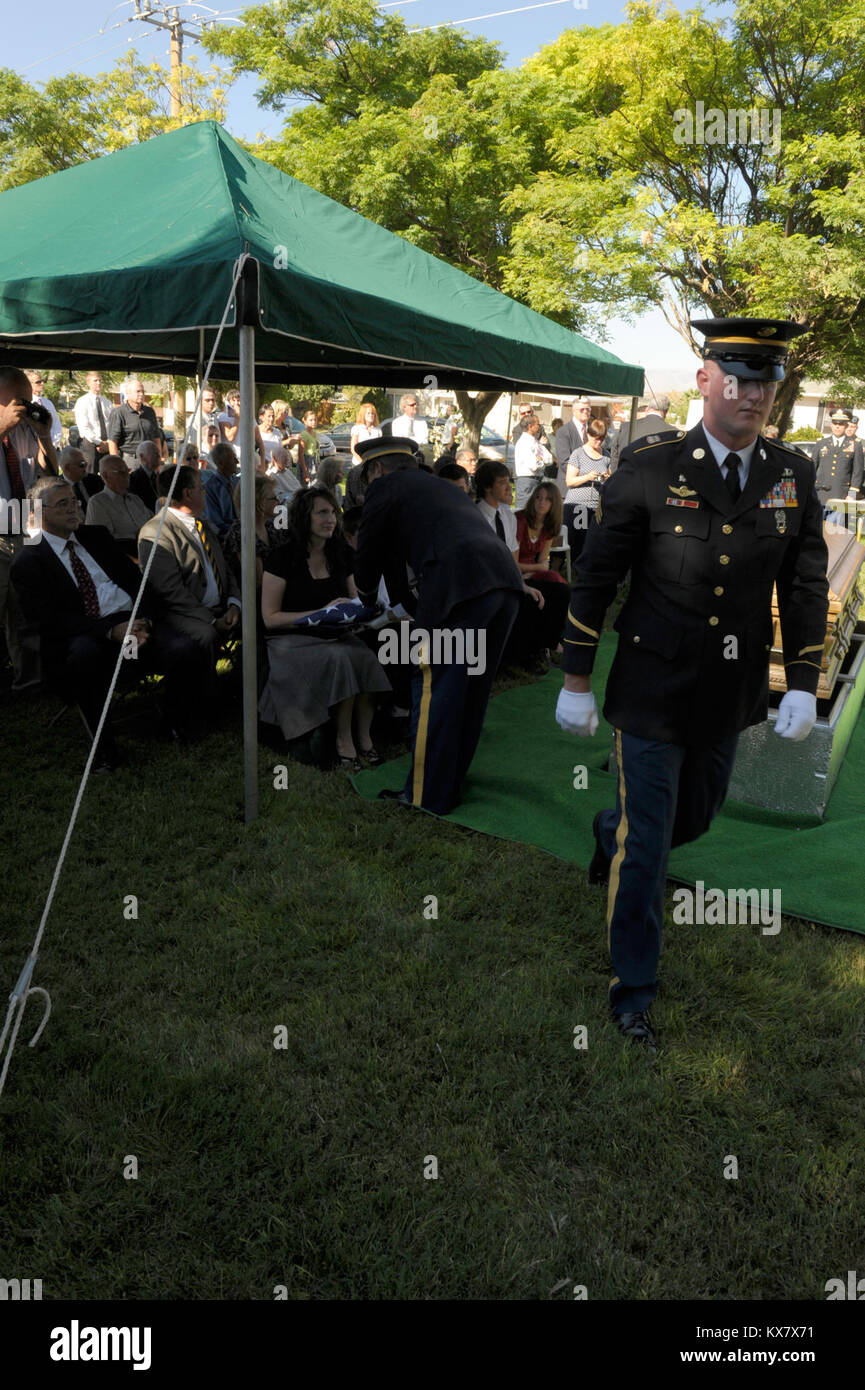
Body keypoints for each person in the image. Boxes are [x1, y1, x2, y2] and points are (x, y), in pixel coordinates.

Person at [555, 316, 830, 1052]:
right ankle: (632, 990)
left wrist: (801, 680)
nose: (752, 396)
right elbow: (597, 576)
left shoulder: (791, 475)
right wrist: (575, 676)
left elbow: (803, 588)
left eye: (764, 383)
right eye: (738, 380)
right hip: (649, 685)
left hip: (727, 690)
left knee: (695, 818)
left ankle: (608, 831)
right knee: (648, 848)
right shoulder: (648, 467)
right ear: (706, 379)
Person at [354, 438, 525, 813]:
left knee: (435, 688)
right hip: (502, 585)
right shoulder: (433, 486)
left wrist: (365, 598)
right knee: (470, 689)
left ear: (376, 470)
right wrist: (413, 607)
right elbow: (398, 564)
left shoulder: (385, 488)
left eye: (366, 477)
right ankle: (448, 784)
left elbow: (370, 552)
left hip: (461, 588)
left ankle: (425, 794)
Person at [12, 476, 209, 765]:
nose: (73, 509)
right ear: (39, 513)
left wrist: (144, 620)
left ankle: (173, 722)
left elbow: (137, 582)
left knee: (185, 648)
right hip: (87, 632)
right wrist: (109, 631)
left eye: (74, 502)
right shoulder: (30, 560)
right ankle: (104, 749)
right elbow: (49, 620)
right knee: (84, 656)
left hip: (133, 621)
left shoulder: (96, 537)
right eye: (63, 504)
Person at [260, 485, 391, 769]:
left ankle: (364, 738)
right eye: (321, 513)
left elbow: (356, 599)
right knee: (343, 658)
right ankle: (344, 741)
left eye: (333, 512)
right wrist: (319, 613)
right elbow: (270, 618)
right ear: (304, 518)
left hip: (334, 635)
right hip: (291, 639)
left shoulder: (340, 552)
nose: (330, 519)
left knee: (365, 657)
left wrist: (362, 610)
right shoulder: (282, 557)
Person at [137, 465, 240, 666]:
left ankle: (252, 686)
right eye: (201, 487)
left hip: (221, 608)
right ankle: (206, 694)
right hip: (184, 613)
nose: (205, 491)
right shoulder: (157, 532)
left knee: (257, 616)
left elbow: (225, 568)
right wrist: (210, 619)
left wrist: (235, 604)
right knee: (206, 636)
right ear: (187, 493)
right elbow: (170, 591)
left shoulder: (202, 524)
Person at [0, 366, 59, 689]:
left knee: (23, 611)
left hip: (23, 528)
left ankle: (28, 679)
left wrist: (44, 435)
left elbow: (51, 472)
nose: (26, 402)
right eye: (18, 396)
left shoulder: (25, 429)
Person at [221, 474, 286, 587]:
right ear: (259, 502)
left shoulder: (270, 526)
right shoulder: (241, 531)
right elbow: (258, 580)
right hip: (252, 597)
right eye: (273, 498)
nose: (278, 501)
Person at [85, 456, 152, 558]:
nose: (127, 475)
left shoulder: (135, 499)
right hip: (125, 557)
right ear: (105, 476)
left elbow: (153, 521)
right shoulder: (98, 503)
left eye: (127, 471)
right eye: (120, 472)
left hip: (150, 549)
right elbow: (102, 541)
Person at [563, 418, 610, 563]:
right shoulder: (578, 453)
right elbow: (569, 481)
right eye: (596, 439)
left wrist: (608, 478)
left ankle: (586, 567)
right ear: (589, 435)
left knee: (594, 539)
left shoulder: (606, 456)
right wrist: (587, 477)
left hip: (597, 506)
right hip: (578, 506)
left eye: (601, 439)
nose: (598, 442)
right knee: (578, 538)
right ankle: (574, 567)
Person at [515, 482, 568, 590]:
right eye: (538, 497)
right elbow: (512, 563)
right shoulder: (520, 521)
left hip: (531, 574)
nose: (541, 502)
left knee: (558, 582)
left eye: (547, 499)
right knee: (555, 583)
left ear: (554, 504)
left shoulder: (549, 526)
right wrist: (538, 568)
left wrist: (537, 569)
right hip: (514, 573)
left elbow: (542, 560)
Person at [107, 378, 166, 467]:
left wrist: (158, 460)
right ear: (128, 394)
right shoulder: (119, 413)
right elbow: (112, 442)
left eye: (143, 391)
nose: (141, 394)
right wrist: (116, 466)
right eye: (138, 391)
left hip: (149, 459)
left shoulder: (150, 412)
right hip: (129, 461)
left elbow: (156, 438)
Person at [812, 409, 862, 510]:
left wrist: (852, 494)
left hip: (842, 496)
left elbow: (857, 472)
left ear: (846, 426)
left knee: (836, 525)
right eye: (835, 423)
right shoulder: (821, 444)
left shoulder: (855, 445)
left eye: (841, 424)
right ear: (831, 425)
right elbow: (812, 468)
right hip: (819, 495)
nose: (837, 426)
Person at [73, 371, 114, 473]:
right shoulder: (82, 402)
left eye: (100, 380)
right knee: (90, 475)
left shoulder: (107, 402)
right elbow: (84, 428)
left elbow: (112, 424)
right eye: (95, 381)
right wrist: (99, 442)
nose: (98, 383)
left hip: (107, 443)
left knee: (109, 473)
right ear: (88, 383)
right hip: (90, 444)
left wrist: (107, 443)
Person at [218, 389, 266, 472]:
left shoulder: (250, 418)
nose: (236, 403)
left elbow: (260, 442)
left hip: (249, 460)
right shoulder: (223, 416)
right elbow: (230, 437)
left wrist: (262, 465)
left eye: (239, 400)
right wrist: (237, 419)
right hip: (231, 460)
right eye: (233, 400)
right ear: (228, 402)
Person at [514, 413, 553, 507]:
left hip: (536, 481)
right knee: (523, 510)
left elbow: (550, 458)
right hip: (527, 482)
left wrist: (540, 459)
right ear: (530, 426)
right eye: (537, 424)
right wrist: (540, 462)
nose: (539, 426)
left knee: (534, 511)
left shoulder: (535, 442)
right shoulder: (524, 442)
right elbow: (533, 465)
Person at [202, 441, 239, 538]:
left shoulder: (238, 483)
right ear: (221, 463)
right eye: (232, 458)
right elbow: (216, 524)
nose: (237, 461)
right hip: (227, 538)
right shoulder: (210, 489)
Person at [59, 445, 103, 516]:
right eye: (81, 464)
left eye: (86, 463)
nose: (86, 467)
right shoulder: (55, 487)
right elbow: (38, 511)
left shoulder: (96, 480)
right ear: (68, 468)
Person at [26, 371, 63, 448]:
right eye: (38, 382)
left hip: (50, 447)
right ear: (29, 385)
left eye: (42, 381)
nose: (42, 383)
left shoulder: (48, 403)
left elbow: (56, 425)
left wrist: (53, 445)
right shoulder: (26, 404)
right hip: (32, 450)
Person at [554, 399, 593, 471]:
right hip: (570, 479)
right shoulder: (563, 432)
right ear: (573, 411)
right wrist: (587, 474)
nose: (585, 411)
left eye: (588, 409)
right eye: (582, 409)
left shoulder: (593, 430)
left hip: (591, 480)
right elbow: (565, 462)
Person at [128, 440, 161, 511]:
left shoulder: (161, 476)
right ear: (142, 456)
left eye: (158, 453)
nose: (158, 456)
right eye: (155, 453)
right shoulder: (133, 479)